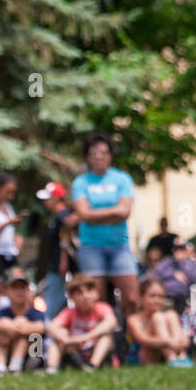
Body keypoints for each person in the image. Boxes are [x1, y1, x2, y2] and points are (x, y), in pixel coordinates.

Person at [70, 133, 139, 316]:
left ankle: (133, 341)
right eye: (94, 153)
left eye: (103, 152)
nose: (99, 157)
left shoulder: (122, 179)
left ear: (110, 155)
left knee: (132, 299)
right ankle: (101, 341)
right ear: (87, 157)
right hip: (91, 247)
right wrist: (113, 211)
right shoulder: (80, 182)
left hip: (120, 247)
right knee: (96, 302)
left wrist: (94, 215)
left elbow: (125, 212)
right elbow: (83, 214)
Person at [46, 273, 116, 371]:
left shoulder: (102, 308)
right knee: (59, 335)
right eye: (79, 293)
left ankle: (92, 366)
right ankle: (51, 368)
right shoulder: (69, 311)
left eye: (89, 291)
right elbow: (51, 327)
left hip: (98, 353)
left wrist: (85, 337)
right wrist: (66, 339)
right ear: (72, 297)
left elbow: (111, 322)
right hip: (77, 351)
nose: (85, 296)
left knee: (107, 337)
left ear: (97, 293)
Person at [0, 267, 46, 374]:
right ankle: (0, 367)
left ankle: (15, 366)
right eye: (14, 287)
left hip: (33, 355)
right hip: (9, 348)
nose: (19, 291)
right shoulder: (3, 312)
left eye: (22, 287)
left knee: (26, 335)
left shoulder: (34, 312)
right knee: (2, 332)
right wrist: (7, 325)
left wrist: (20, 326)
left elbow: (41, 327)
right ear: (5, 291)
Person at [127, 277, 191, 366]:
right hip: (143, 356)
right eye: (152, 296)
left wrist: (182, 341)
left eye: (161, 296)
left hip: (163, 353)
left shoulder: (167, 317)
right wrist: (168, 342)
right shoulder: (134, 319)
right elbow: (144, 340)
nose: (157, 300)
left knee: (171, 314)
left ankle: (181, 357)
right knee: (158, 317)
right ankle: (171, 357)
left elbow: (183, 337)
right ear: (141, 298)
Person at [36, 181, 77, 317]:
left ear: (56, 198)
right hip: (55, 264)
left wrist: (63, 260)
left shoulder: (63, 215)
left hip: (59, 267)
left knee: (54, 300)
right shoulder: (57, 216)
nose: (45, 202)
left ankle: (48, 330)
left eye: (47, 198)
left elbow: (66, 239)